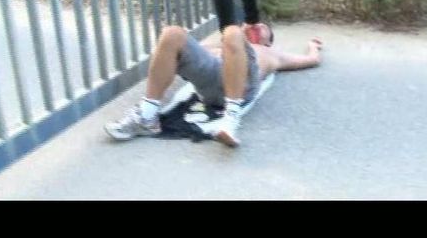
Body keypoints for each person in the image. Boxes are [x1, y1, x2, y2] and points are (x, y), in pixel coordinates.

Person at [105, 23, 323, 147]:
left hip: (243, 86)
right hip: (210, 84)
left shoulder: (269, 52)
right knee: (172, 33)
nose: (255, 26)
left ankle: (230, 119)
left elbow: (310, 60)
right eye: (252, 24)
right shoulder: (225, 43)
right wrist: (226, 41)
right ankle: (147, 116)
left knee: (232, 31)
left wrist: (312, 46)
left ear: (268, 41)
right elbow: (188, 51)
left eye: (262, 27)